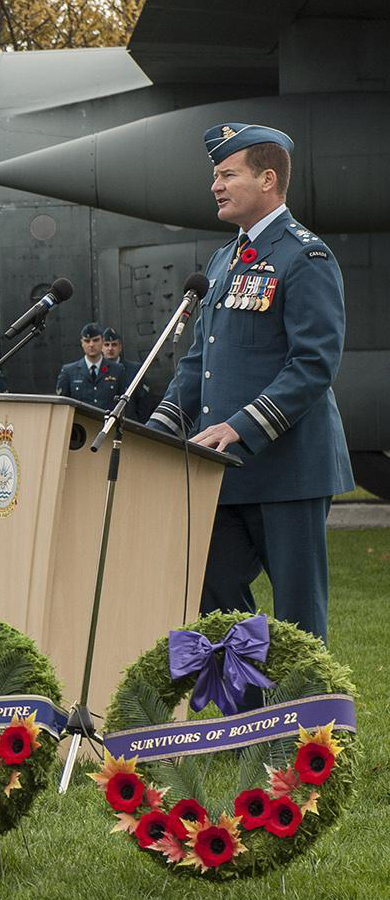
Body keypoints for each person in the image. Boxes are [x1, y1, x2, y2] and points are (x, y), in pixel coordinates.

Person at [148, 121, 354, 644]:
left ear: (267, 179)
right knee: (212, 599)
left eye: (227, 174)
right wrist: (160, 427)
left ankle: (307, 726)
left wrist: (240, 427)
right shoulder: (224, 259)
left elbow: (313, 363)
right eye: (215, 175)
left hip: (289, 469)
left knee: (298, 618)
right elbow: (202, 359)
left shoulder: (305, 256)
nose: (215, 185)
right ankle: (250, 724)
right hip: (226, 470)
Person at [56, 322, 126, 411]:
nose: (91, 345)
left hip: (108, 423)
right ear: (82, 343)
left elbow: (124, 405)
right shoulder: (69, 372)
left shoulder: (117, 370)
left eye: (96, 340)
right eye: (87, 341)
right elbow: (62, 406)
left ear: (103, 341)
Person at [102, 327, 151, 423]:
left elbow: (144, 402)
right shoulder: (97, 371)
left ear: (120, 347)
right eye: (106, 345)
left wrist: (137, 424)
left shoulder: (134, 370)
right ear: (101, 348)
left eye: (114, 345)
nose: (110, 348)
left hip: (129, 424)